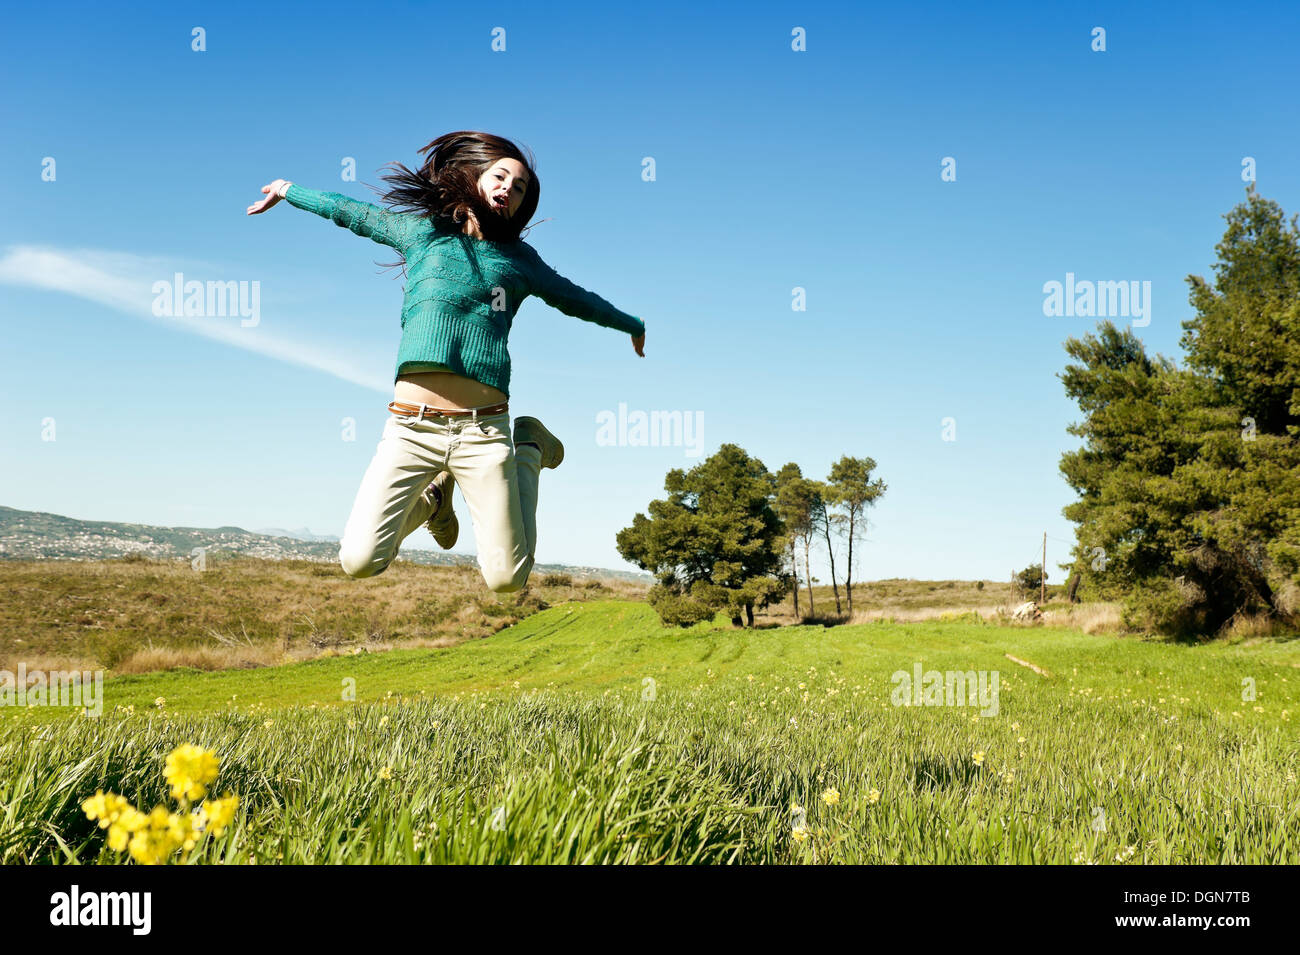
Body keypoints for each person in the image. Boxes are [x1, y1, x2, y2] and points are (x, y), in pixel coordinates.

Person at [246, 131, 646, 592]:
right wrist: (290, 191)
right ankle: (436, 499)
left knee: (506, 579)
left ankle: (530, 449)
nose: (508, 189)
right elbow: (351, 213)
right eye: (501, 177)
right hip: (410, 430)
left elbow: (577, 299)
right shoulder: (424, 236)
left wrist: (630, 322)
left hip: (484, 431)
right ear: (475, 178)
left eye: (519, 188)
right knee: (358, 561)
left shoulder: (519, 261)